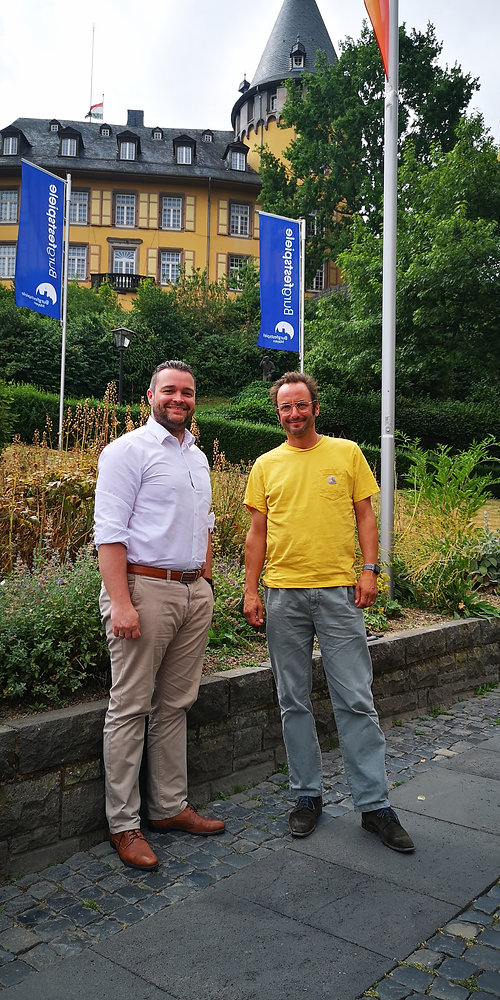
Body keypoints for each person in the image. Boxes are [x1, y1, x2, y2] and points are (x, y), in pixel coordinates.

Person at [243, 371, 414, 852]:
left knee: (356, 699)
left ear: (315, 407)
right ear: (278, 413)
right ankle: (306, 796)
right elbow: (257, 533)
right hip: (283, 595)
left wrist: (370, 570)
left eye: (301, 404)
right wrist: (250, 589)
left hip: (340, 593)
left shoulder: (347, 453)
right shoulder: (265, 465)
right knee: (292, 700)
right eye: (285, 407)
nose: (293, 413)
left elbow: (366, 515)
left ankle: (374, 804)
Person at [94, 360, 225, 872]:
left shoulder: (196, 456)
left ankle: (169, 808)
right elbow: (110, 533)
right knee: (130, 707)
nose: (179, 399)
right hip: (143, 590)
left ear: (195, 399)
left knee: (175, 704)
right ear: (150, 395)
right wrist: (121, 602)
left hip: (192, 593)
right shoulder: (127, 451)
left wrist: (206, 581)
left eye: (187, 392)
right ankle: (124, 824)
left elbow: (206, 522)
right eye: (169, 390)